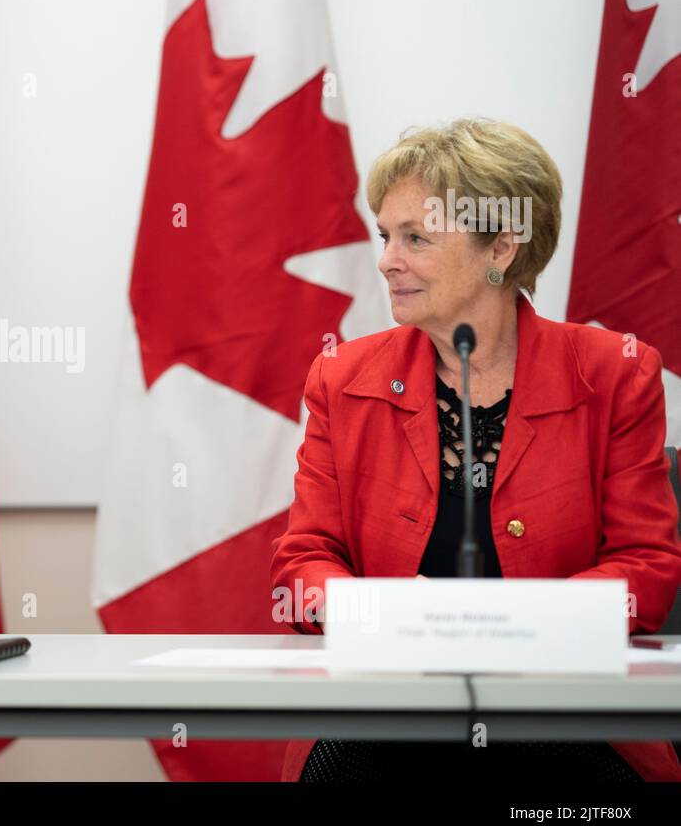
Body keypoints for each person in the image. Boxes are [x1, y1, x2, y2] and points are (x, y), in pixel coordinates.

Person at [270, 118, 681, 781]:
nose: (386, 260)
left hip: (562, 709)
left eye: (416, 238)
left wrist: (508, 624)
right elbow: (304, 563)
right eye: (385, 236)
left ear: (502, 247)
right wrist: (390, 615)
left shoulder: (614, 375)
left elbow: (647, 571)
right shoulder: (342, 378)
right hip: (389, 709)